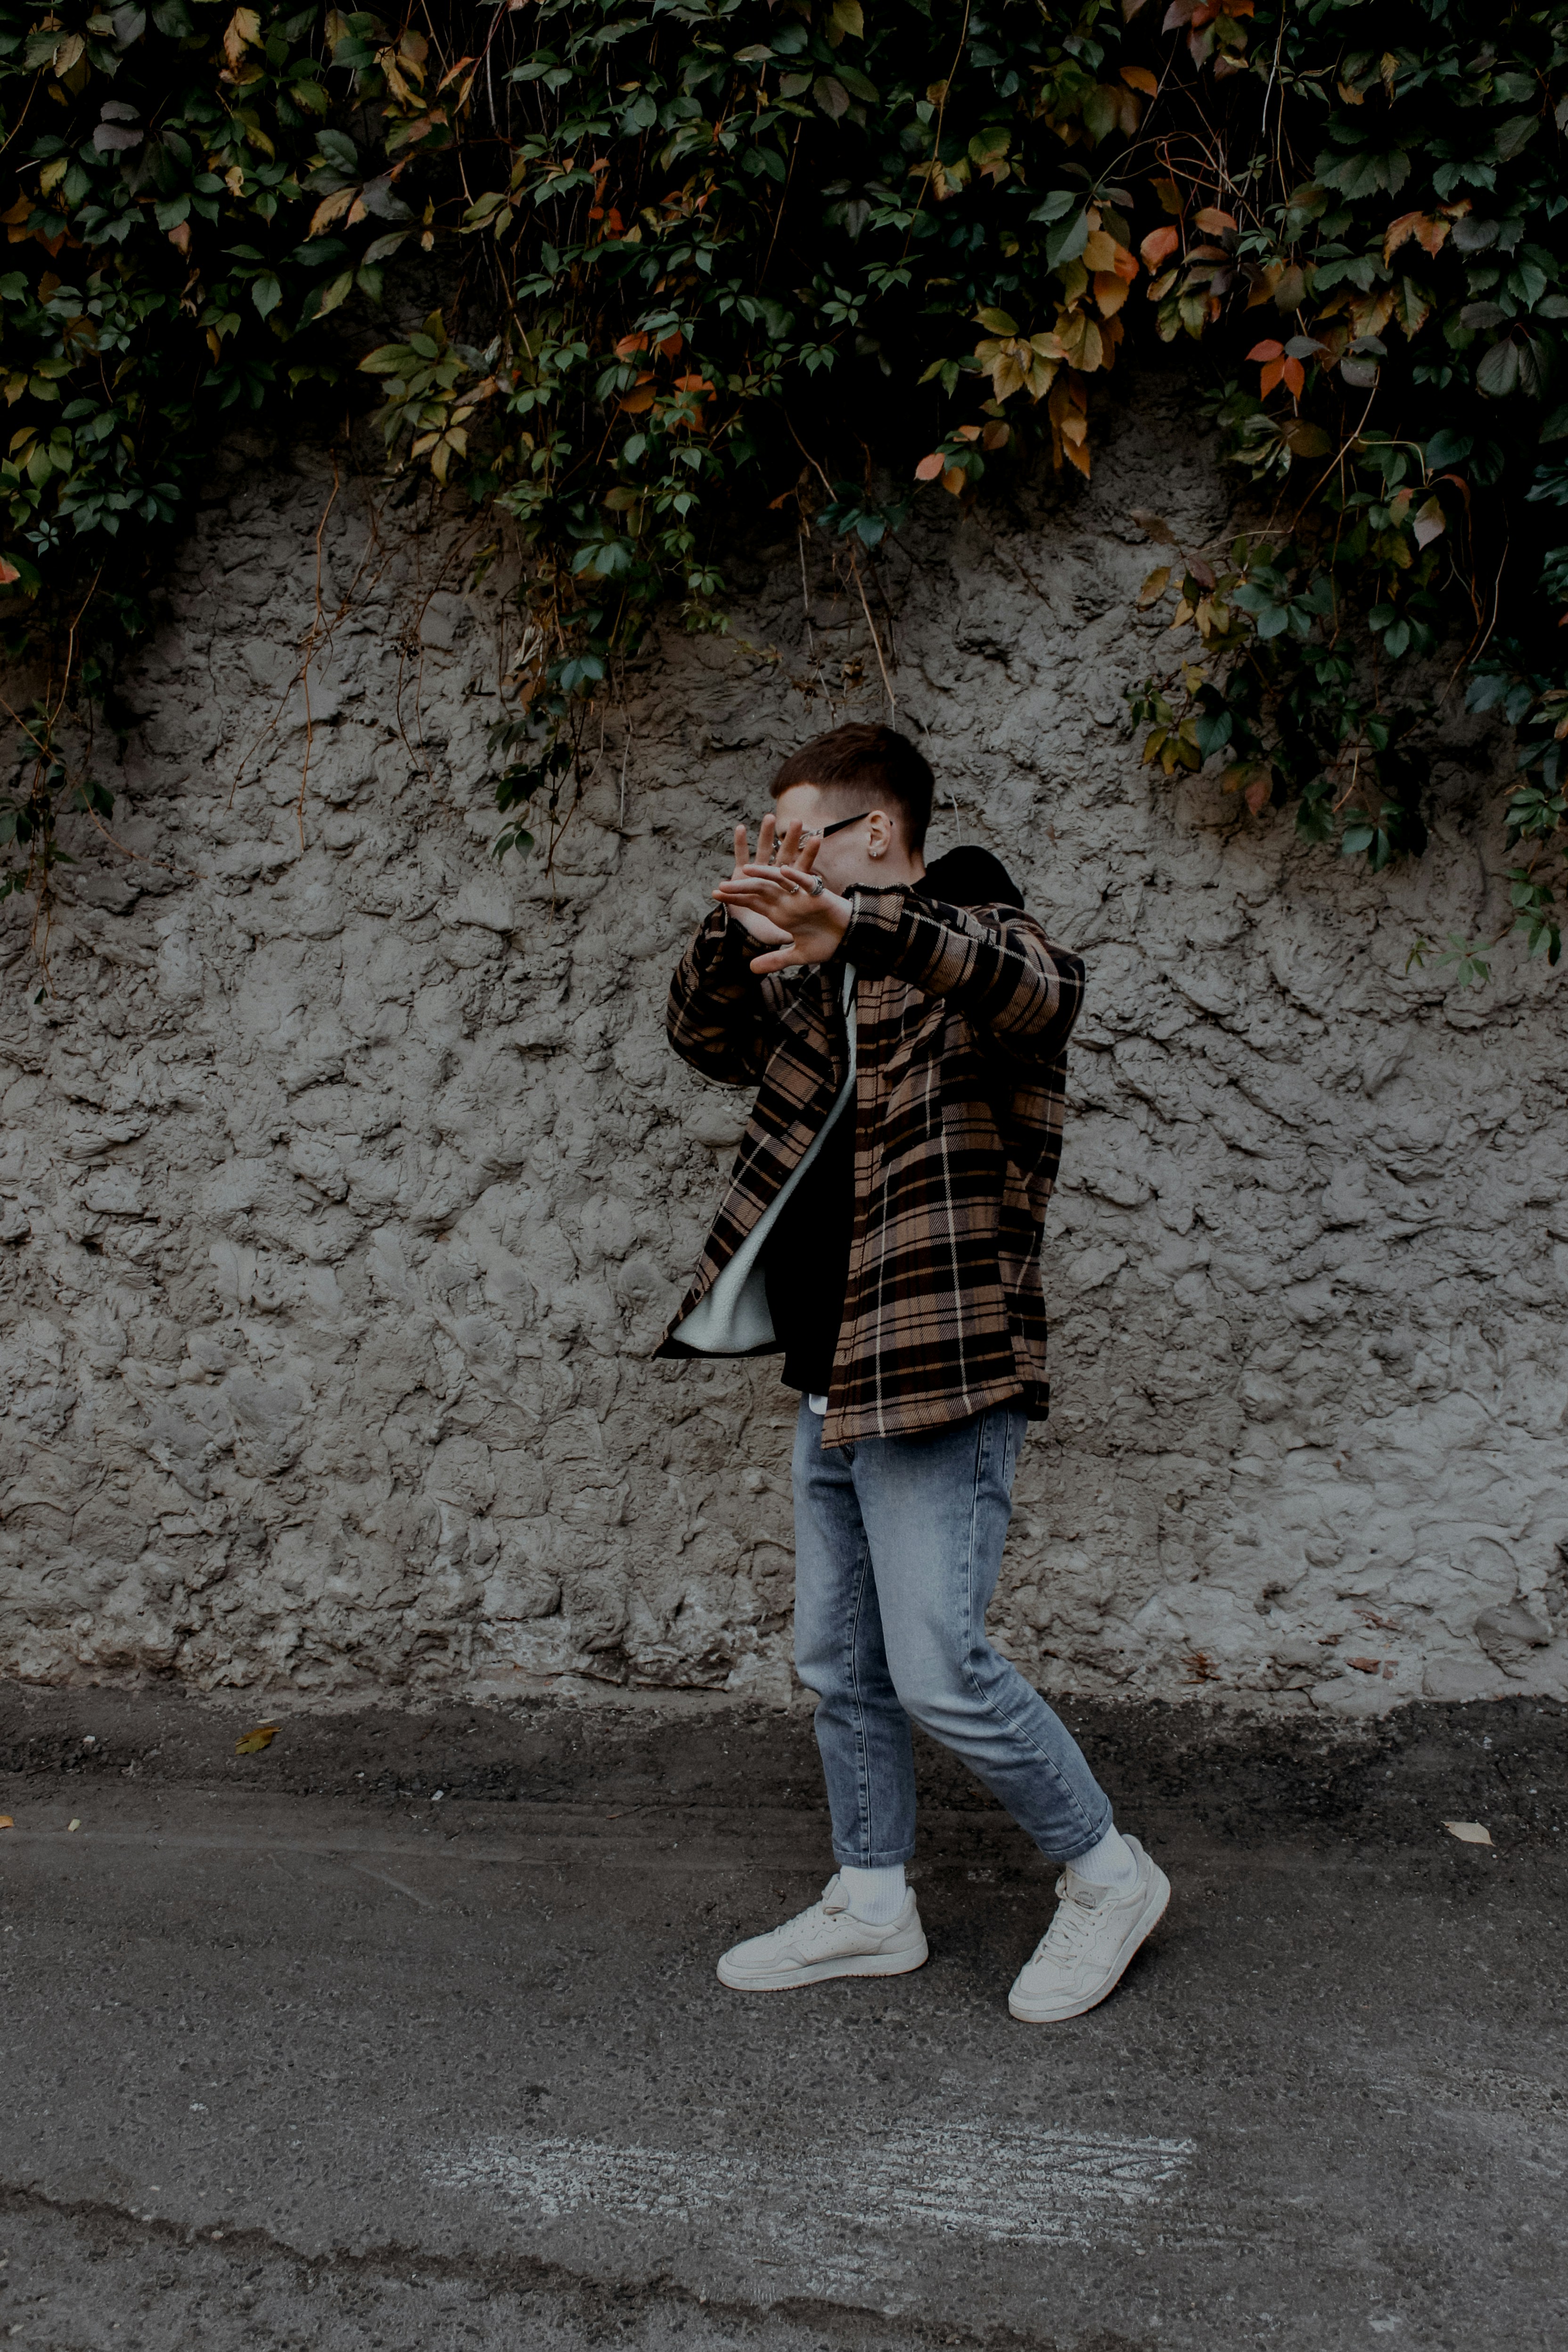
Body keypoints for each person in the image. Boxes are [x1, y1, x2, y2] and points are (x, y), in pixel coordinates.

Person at [657, 722, 1169, 2023]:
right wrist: (737, 921)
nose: (786, 860)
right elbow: (702, 1038)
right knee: (839, 1659)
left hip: (941, 1372)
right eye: (766, 844)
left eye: (801, 837)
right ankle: (872, 1899)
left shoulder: (973, 930)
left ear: (875, 832)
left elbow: (1044, 990)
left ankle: (1109, 1876)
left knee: (940, 1666)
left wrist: (860, 929)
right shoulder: (814, 974)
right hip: (838, 1372)